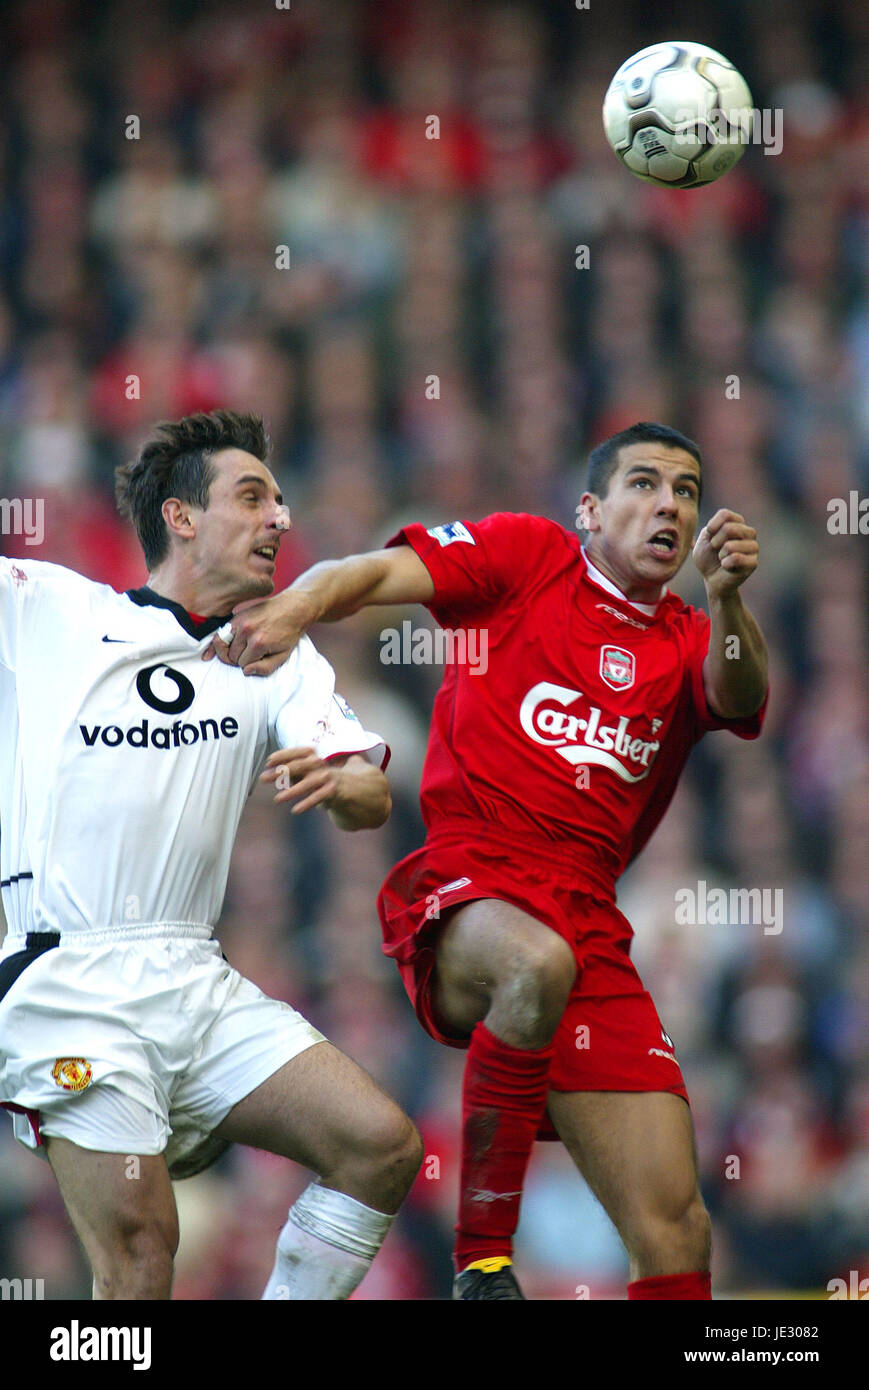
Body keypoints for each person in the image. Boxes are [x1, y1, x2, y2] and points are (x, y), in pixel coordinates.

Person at [204, 421, 769, 1301]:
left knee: (677, 1230)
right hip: (470, 885)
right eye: (645, 483)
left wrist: (730, 597)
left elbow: (741, 698)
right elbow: (375, 573)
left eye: (686, 490)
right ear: (588, 509)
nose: (668, 502)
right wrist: (295, 605)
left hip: (592, 925)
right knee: (530, 961)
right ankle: (482, 1264)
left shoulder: (693, 634)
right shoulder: (525, 555)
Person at [0, 408, 423, 1301]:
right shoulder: (47, 609)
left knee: (379, 1146)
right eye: (253, 497)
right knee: (146, 1252)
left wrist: (341, 783)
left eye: (280, 502)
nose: (280, 518)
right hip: (69, 981)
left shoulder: (274, 650)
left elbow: (370, 793)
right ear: (180, 517)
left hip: (194, 972)